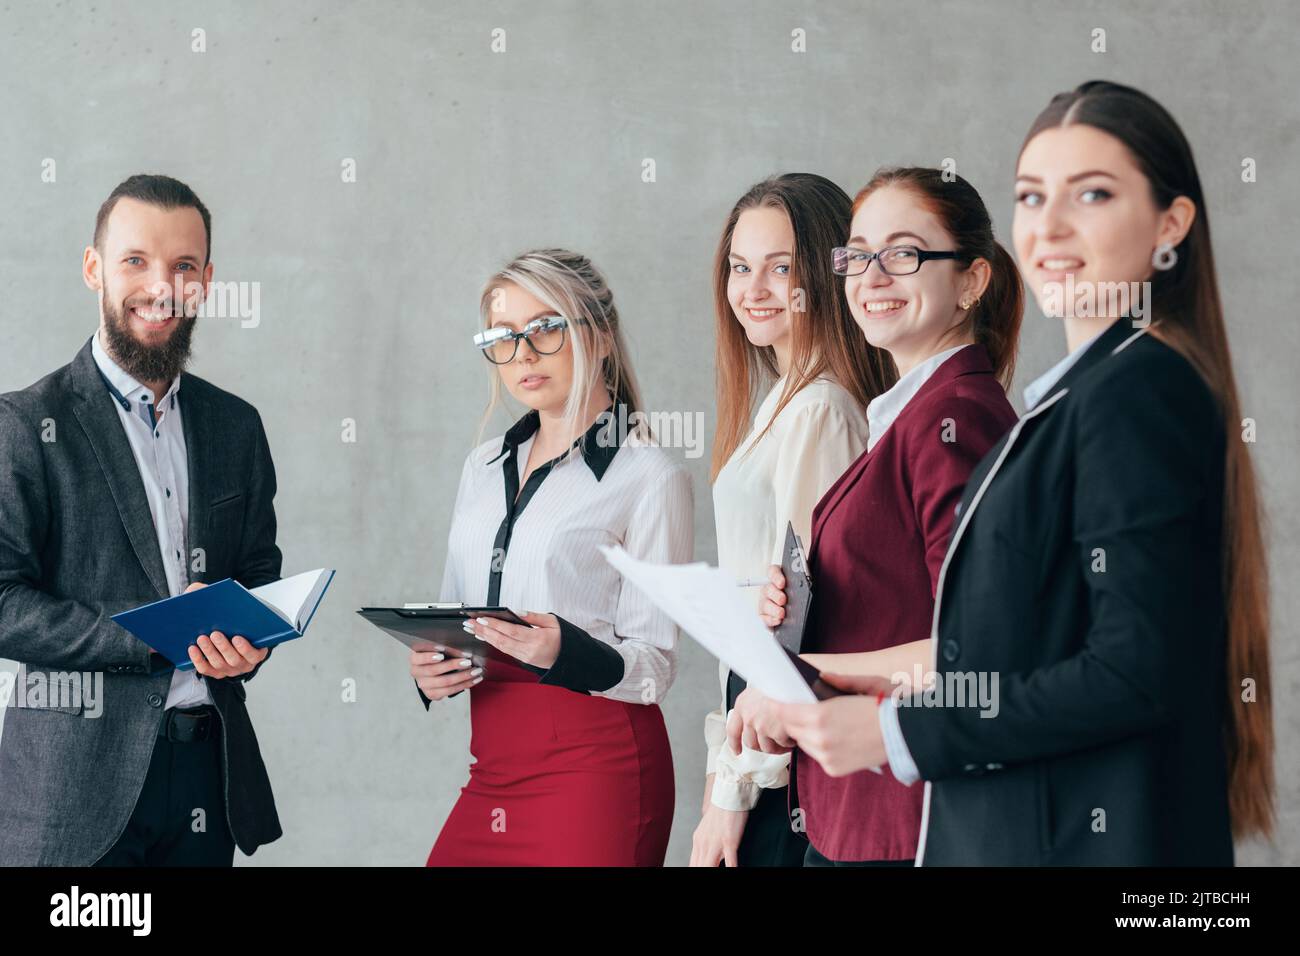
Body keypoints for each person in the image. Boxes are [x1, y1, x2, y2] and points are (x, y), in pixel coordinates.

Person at [761, 81, 1274, 865]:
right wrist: (819, 671)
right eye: (1032, 197)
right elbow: (1001, 651)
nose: (1051, 227)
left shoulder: (1139, 392)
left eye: (1093, 194)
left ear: (1170, 225)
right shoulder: (1072, 400)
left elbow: (1134, 673)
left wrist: (898, 729)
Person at [732, 167, 1021, 866]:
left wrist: (799, 674)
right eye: (858, 256)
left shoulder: (955, 418)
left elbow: (981, 649)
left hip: (910, 819)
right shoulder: (907, 418)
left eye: (904, 254)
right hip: (865, 810)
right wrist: (796, 598)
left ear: (973, 281)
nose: (872, 276)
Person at [0, 174, 284, 866]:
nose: (161, 285)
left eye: (183, 265)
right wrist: (155, 635)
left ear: (206, 280)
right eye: (135, 261)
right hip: (71, 793)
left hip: (203, 778)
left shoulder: (235, 426)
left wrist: (252, 636)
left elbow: (256, 574)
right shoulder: (23, 424)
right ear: (94, 268)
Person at [413, 248, 693, 866]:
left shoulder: (649, 475)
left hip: (597, 771)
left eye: (545, 329)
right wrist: (436, 666)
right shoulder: (481, 467)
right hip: (494, 764)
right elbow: (457, 614)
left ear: (598, 335)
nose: (523, 356)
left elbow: (657, 667)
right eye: (504, 338)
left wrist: (566, 651)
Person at [690, 173, 891, 868]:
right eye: (740, 268)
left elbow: (801, 617)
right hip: (764, 753)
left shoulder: (822, 410)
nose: (754, 289)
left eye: (781, 268)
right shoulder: (784, 401)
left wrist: (731, 796)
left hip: (787, 766)